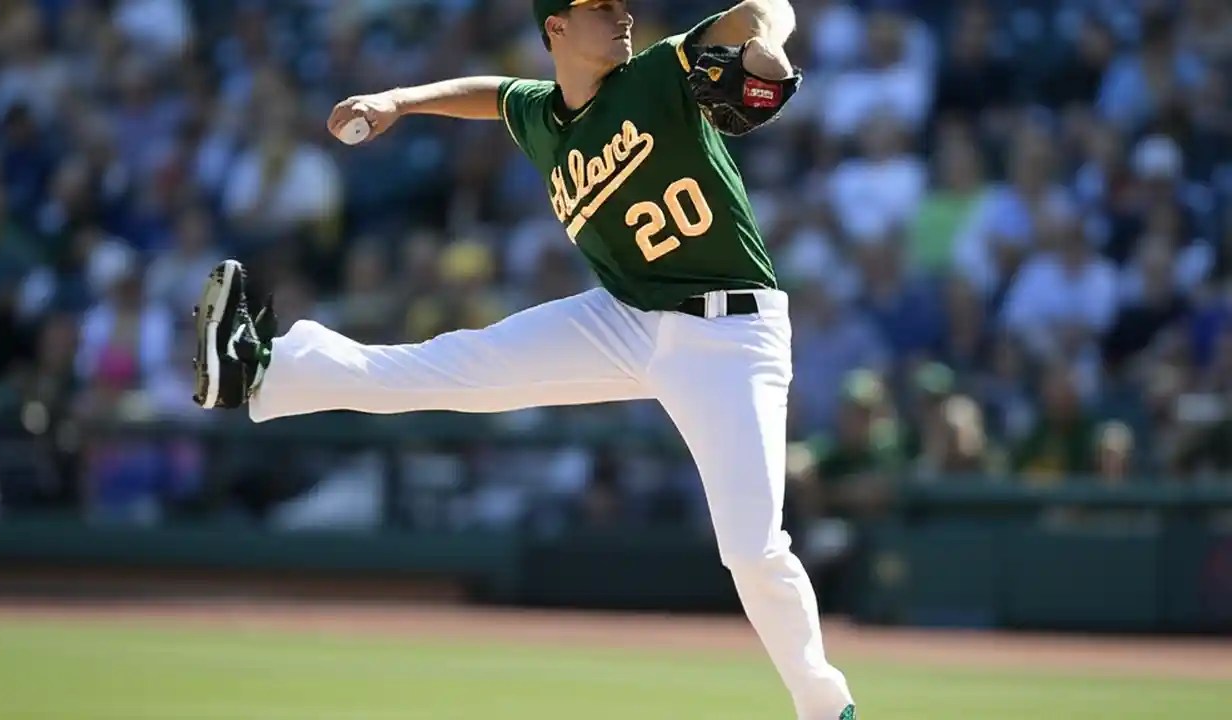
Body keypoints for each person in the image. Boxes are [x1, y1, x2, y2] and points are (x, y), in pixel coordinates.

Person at [190, 2, 855, 718]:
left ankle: (825, 707)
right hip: (626, 317)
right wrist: (399, 101)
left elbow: (767, 6)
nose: (620, 13)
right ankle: (260, 369)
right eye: (597, 6)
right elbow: (494, 94)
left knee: (752, 551)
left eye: (619, 2)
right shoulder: (542, 115)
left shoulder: (662, 71)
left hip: (731, 336)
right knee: (447, 365)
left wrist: (767, 43)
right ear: (555, 30)